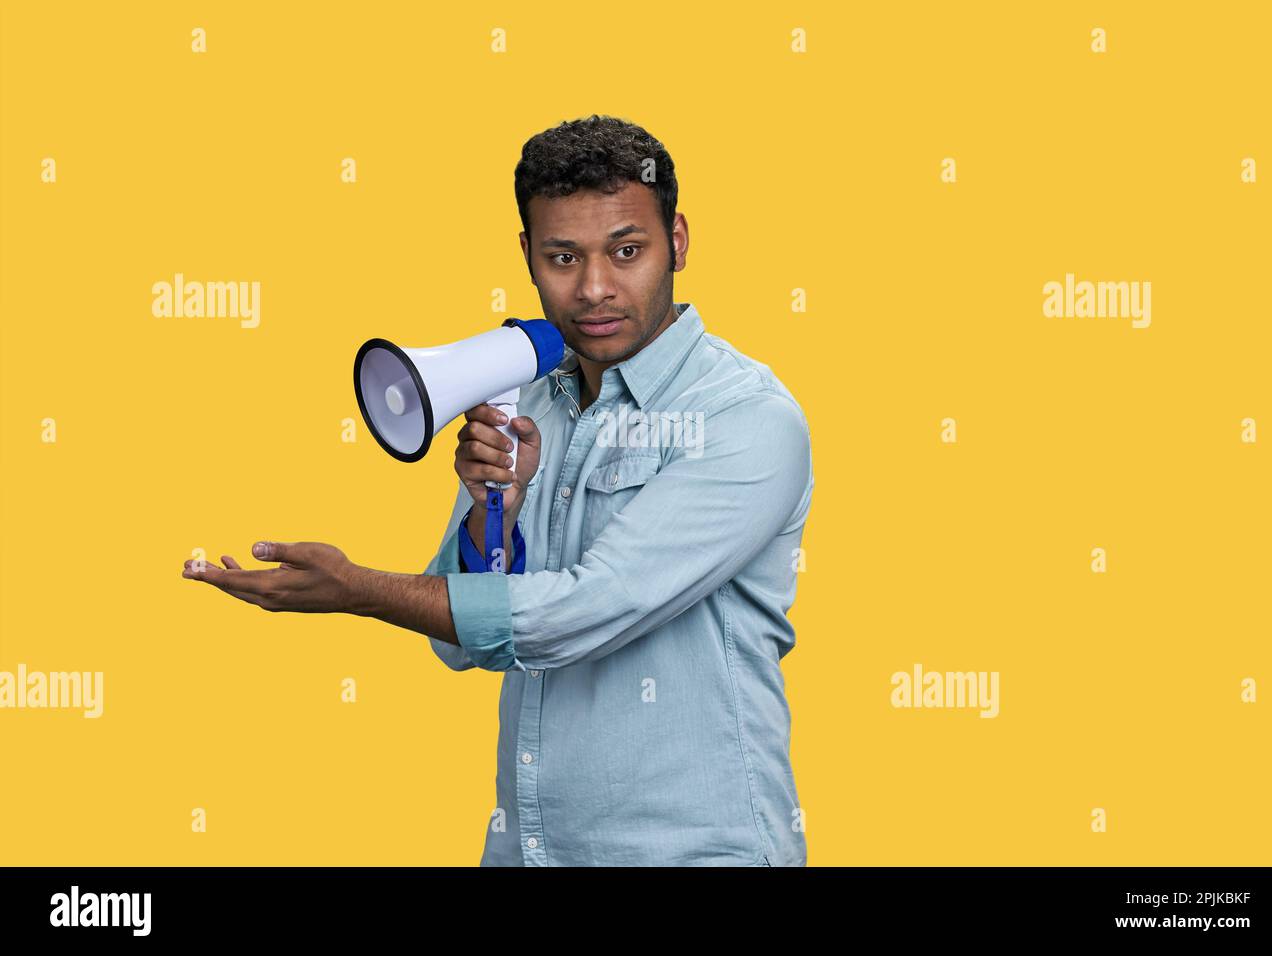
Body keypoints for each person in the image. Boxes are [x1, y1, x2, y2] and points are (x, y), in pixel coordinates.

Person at [183, 114, 815, 866]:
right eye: (562, 257)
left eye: (627, 251)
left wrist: (356, 588)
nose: (594, 290)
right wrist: (497, 520)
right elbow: (463, 649)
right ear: (527, 255)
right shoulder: (531, 399)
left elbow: (579, 614)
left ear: (677, 241)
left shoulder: (745, 417)